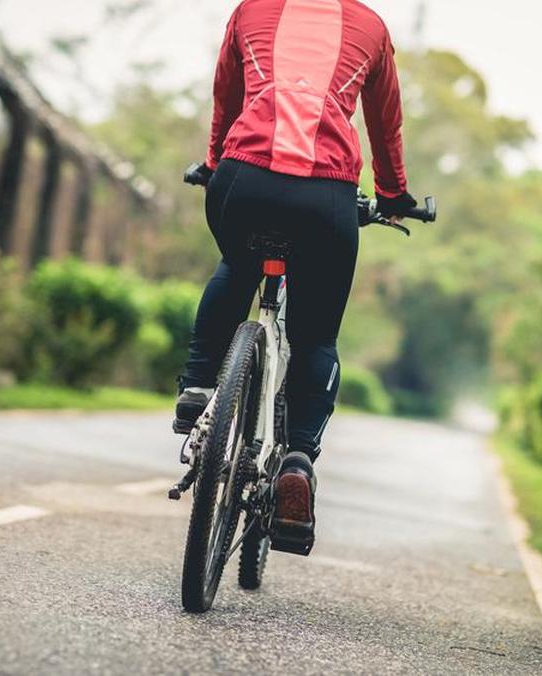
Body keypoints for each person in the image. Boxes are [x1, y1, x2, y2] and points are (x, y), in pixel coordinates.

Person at [174, 0, 415, 544]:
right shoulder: (371, 27)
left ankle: (196, 385)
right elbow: (385, 121)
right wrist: (393, 194)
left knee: (237, 265)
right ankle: (298, 460)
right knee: (316, 335)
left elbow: (226, 98)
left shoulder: (251, 10)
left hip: (243, 182)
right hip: (324, 199)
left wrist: (214, 163)